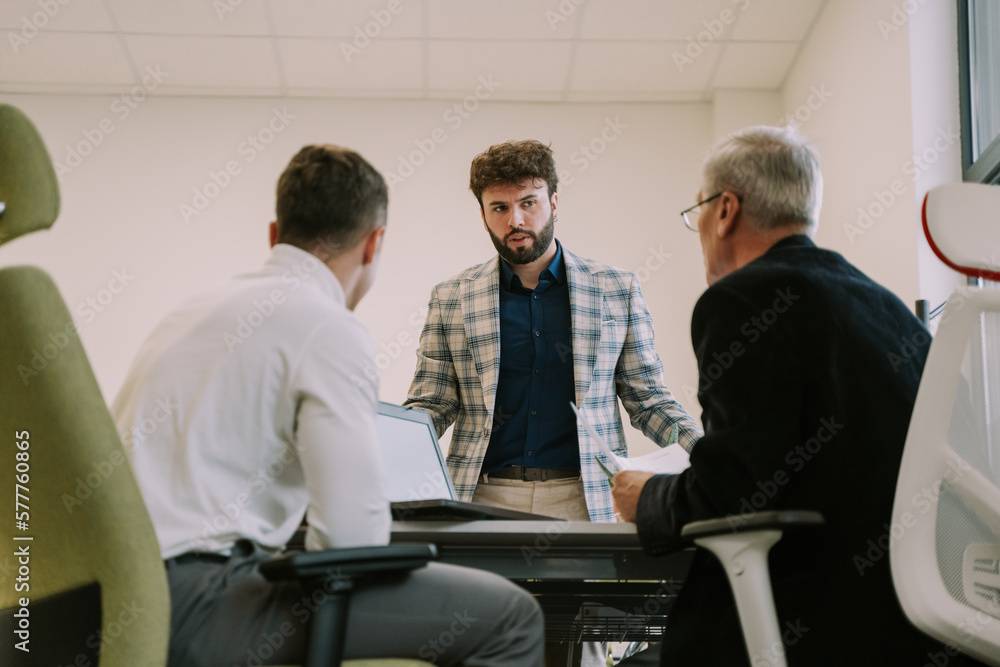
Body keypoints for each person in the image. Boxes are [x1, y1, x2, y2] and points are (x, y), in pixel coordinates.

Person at [112, 144, 544, 667]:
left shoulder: (189, 312)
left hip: (116, 602)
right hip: (199, 607)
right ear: (373, 244)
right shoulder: (328, 326)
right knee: (512, 616)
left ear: (275, 234)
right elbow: (349, 537)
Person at [612, 126, 983, 665]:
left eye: (697, 215)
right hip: (927, 625)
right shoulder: (886, 309)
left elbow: (734, 492)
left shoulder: (744, 298)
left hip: (819, 625)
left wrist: (646, 497)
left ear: (725, 210)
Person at [405, 139, 702, 526]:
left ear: (554, 204)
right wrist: (384, 446)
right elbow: (433, 403)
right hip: (482, 496)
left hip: (585, 497)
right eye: (500, 207)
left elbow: (647, 400)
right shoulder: (451, 297)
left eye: (528, 202)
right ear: (483, 215)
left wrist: (709, 457)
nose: (516, 220)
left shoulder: (617, 290)